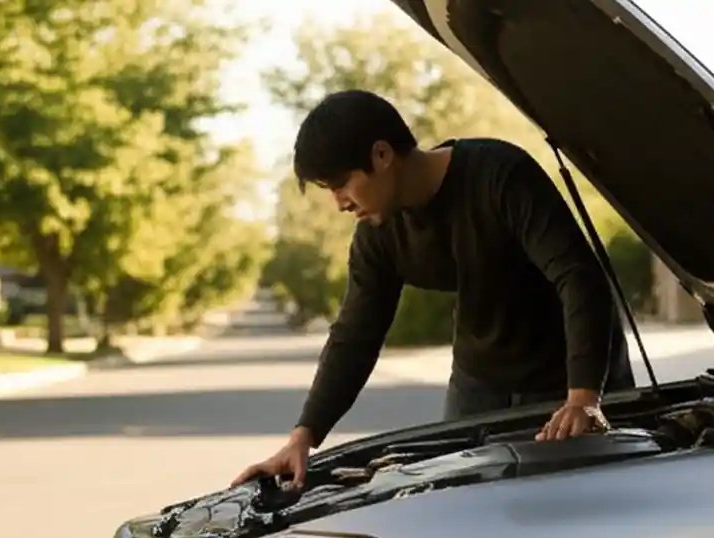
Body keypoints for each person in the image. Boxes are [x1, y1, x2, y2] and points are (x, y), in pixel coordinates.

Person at [231, 89, 635, 489]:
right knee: (466, 507)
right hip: (480, 378)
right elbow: (355, 335)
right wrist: (303, 438)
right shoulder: (379, 234)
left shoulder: (500, 175)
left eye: (341, 184)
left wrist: (583, 399)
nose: (339, 203)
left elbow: (578, 276)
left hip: (572, 370)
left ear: (382, 155)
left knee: (584, 504)